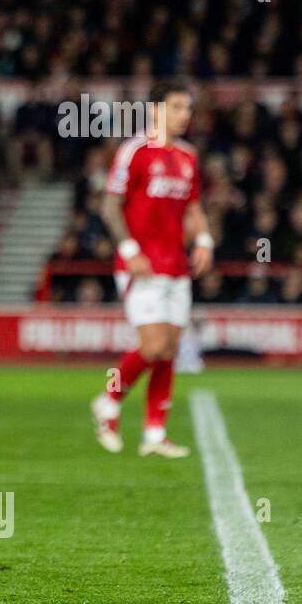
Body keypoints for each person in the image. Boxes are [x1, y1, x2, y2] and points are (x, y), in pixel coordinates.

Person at [91, 79, 212, 458]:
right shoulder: (134, 151)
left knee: (170, 348)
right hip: (141, 266)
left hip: (176, 264)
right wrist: (129, 250)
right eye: (177, 106)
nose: (184, 115)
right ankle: (108, 402)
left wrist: (204, 239)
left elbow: (191, 209)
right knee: (153, 345)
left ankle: (154, 433)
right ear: (156, 109)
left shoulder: (189, 157)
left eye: (188, 108)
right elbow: (110, 206)